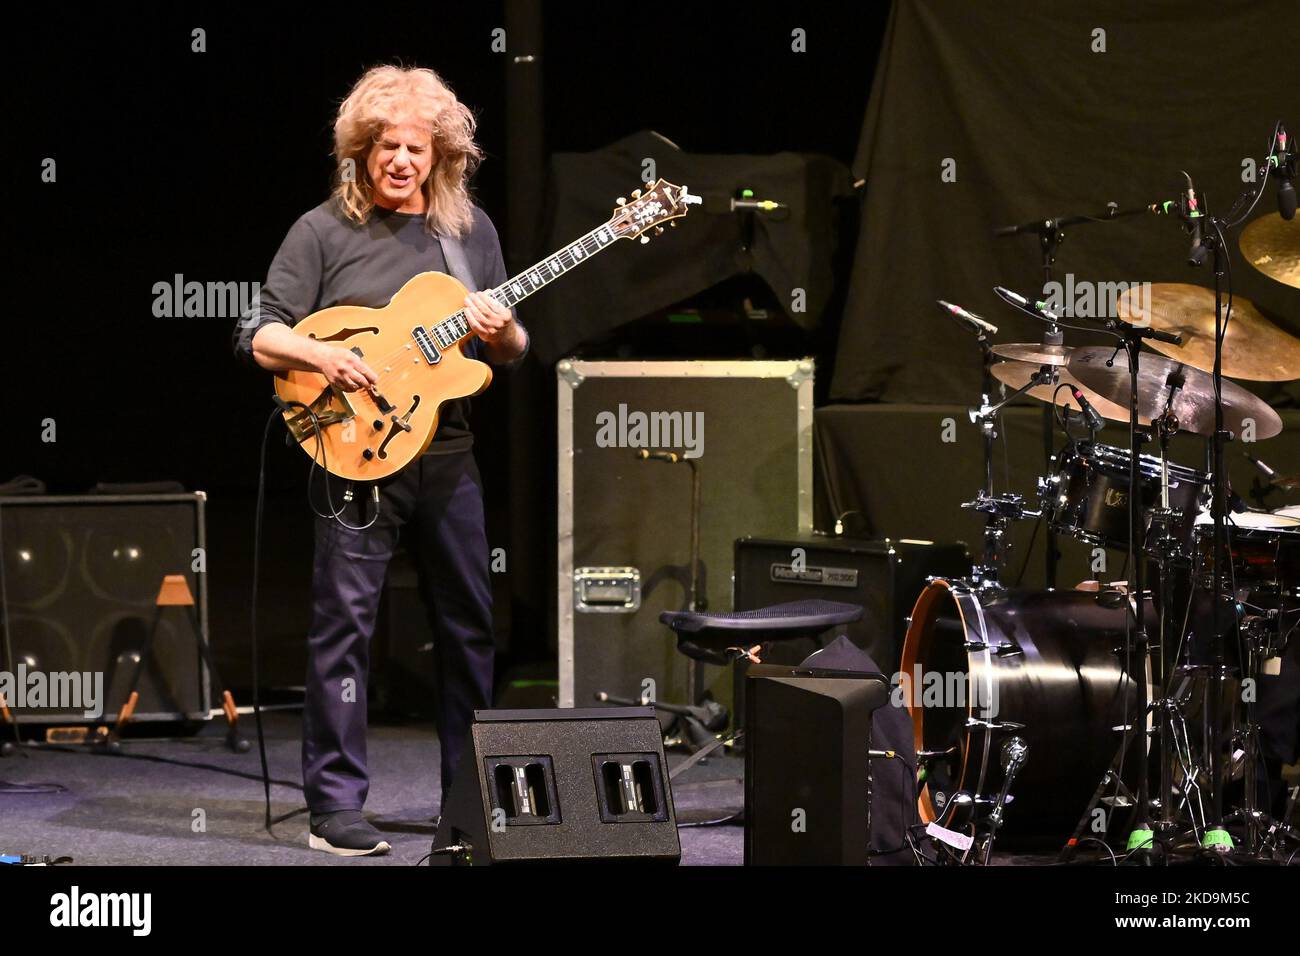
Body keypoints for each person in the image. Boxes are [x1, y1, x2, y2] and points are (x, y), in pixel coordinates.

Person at [233, 64, 527, 856]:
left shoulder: (470, 236)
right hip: (354, 452)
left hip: (449, 456)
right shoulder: (322, 231)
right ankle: (335, 806)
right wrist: (324, 359)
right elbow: (259, 333)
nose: (401, 160)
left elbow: (508, 351)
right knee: (345, 629)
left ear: (443, 157)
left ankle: (468, 800)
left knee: (469, 628)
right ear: (360, 152)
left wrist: (502, 332)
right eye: (387, 146)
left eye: (416, 149)